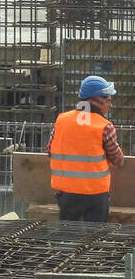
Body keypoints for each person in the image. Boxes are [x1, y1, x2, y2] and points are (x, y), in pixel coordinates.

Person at [48, 75, 125, 223]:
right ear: (97, 100)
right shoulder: (105, 127)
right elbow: (118, 160)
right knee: (94, 238)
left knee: (67, 238)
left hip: (67, 193)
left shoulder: (61, 120)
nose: (110, 105)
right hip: (95, 194)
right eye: (108, 100)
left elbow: (50, 150)